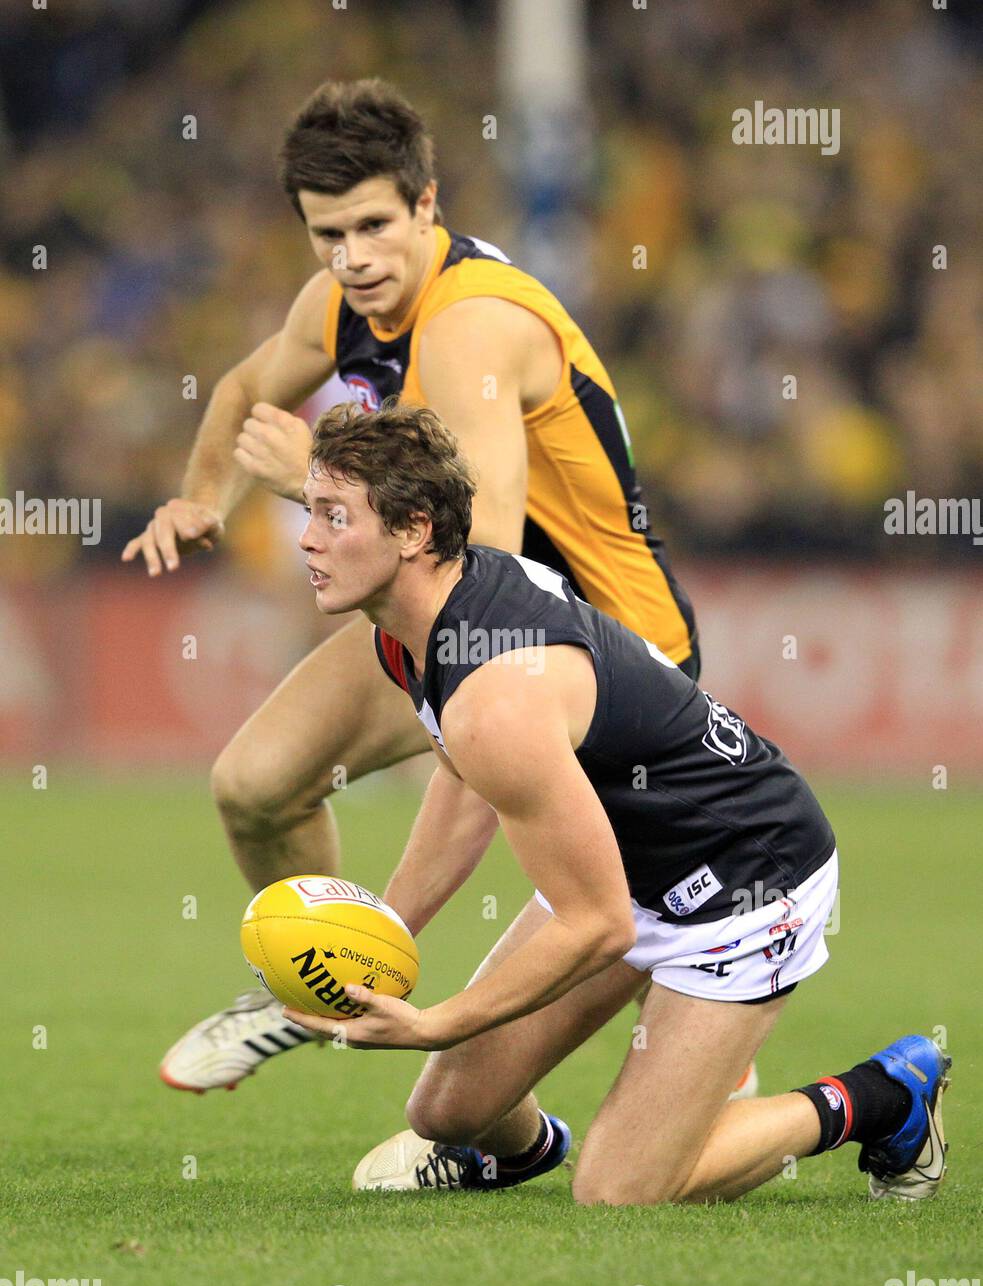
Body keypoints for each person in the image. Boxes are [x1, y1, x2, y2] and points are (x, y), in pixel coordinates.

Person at [123, 78, 757, 1100]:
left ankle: (344, 970)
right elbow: (242, 390)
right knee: (252, 785)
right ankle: (315, 973)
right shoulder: (339, 300)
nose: (353, 256)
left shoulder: (471, 329)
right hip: (461, 622)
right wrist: (199, 499)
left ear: (427, 205)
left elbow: (484, 578)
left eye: (374, 224)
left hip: (605, 653)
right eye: (328, 234)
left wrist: (308, 479)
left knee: (647, 961)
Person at [280, 400, 948, 1205]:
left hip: (744, 879)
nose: (306, 538)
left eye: (332, 515)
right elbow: (465, 782)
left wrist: (438, 1022)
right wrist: (379, 938)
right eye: (309, 511)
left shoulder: (497, 695)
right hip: (627, 866)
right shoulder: (420, 621)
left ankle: (885, 1095)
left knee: (619, 1192)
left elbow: (593, 922)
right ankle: (524, 1151)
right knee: (447, 1110)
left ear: (414, 530)